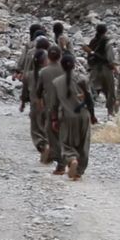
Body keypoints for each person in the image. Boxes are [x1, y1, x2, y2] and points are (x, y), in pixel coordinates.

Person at [51, 54, 97, 181]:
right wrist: (93, 115)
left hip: (66, 116)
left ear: (62, 66)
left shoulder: (56, 82)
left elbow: (54, 104)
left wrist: (54, 119)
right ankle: (79, 172)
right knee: (83, 143)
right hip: (83, 115)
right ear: (74, 65)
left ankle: (71, 159)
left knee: (66, 143)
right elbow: (90, 99)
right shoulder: (83, 79)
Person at [36, 46, 66, 175]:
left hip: (51, 107)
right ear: (60, 56)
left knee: (52, 135)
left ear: (48, 57)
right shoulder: (66, 69)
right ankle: (72, 158)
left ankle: (61, 164)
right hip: (67, 106)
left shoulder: (43, 72)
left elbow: (38, 92)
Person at [83, 24, 118, 117]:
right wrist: (115, 68)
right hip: (106, 69)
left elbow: (89, 57)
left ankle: (89, 112)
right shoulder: (107, 43)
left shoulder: (92, 42)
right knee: (109, 91)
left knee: (93, 91)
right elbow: (110, 59)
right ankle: (110, 112)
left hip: (95, 70)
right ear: (105, 31)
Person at [27, 46, 50, 163]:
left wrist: (22, 103)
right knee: (48, 127)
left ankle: (43, 147)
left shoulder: (29, 75)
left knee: (36, 130)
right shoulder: (48, 73)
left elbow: (25, 93)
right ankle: (50, 147)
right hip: (49, 104)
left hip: (35, 106)